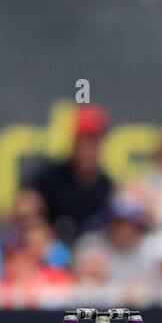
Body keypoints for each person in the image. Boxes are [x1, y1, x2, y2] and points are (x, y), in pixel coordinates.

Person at [28, 104, 115, 245]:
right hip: (51, 255)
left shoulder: (105, 186)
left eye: (93, 137)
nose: (87, 144)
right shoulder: (49, 179)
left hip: (89, 258)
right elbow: (24, 208)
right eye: (82, 136)